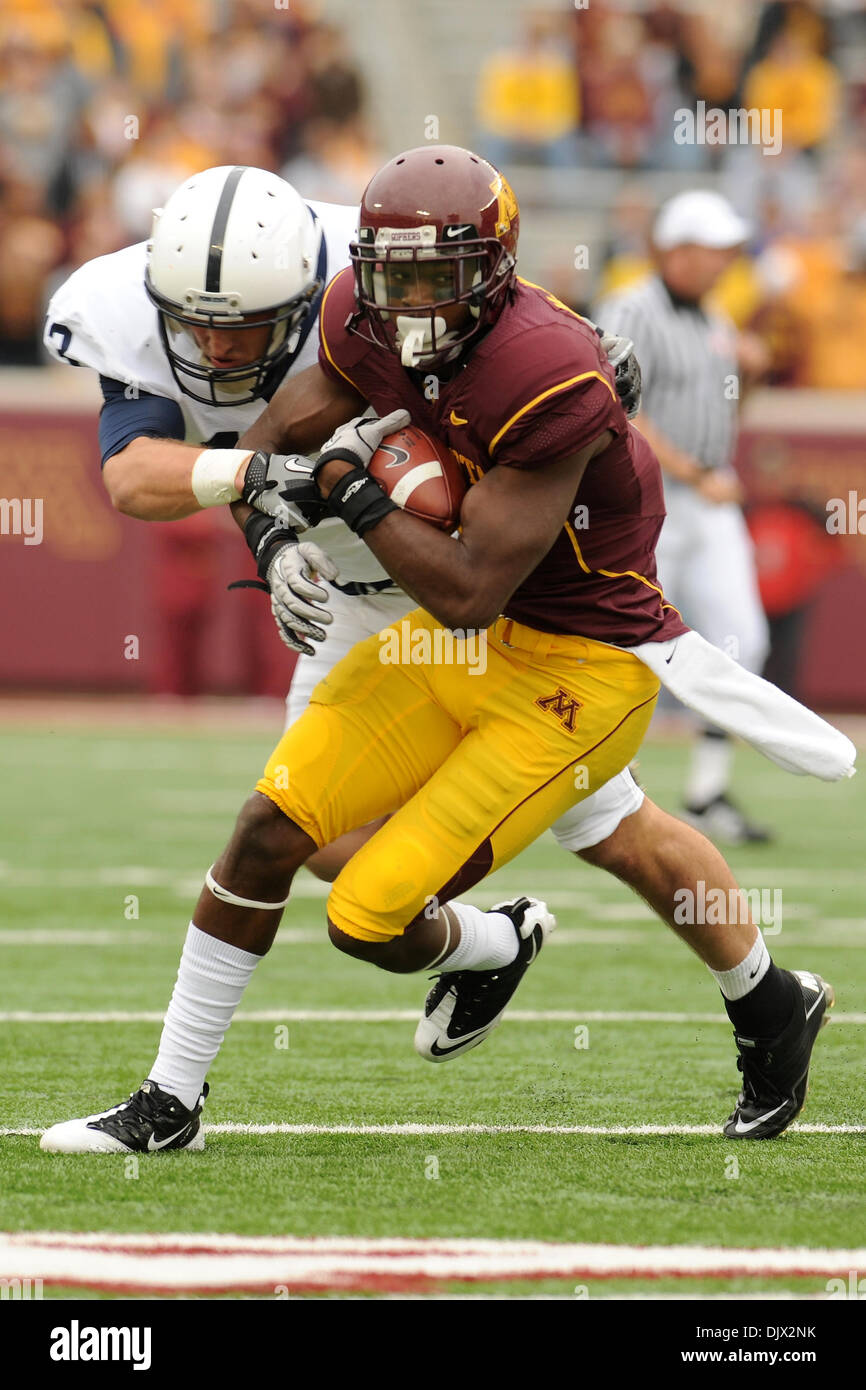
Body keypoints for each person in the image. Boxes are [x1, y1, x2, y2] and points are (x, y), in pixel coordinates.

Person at [40, 149, 852, 1157]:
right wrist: (279, 522)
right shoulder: (341, 296)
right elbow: (209, 463)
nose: (221, 342)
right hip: (379, 585)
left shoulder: (509, 346)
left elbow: (470, 587)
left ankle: (763, 999)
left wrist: (349, 490)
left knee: (607, 835)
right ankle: (174, 1098)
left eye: (252, 322)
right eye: (200, 322)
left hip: (547, 634)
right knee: (277, 830)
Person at [596, 189, 775, 845]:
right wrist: (696, 472)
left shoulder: (713, 318)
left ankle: (705, 791)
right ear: (676, 249)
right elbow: (621, 411)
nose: (723, 262)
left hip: (707, 499)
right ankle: (613, 777)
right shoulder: (632, 306)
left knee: (741, 638)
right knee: (630, 638)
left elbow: (724, 415)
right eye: (711, 249)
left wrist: (750, 375)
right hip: (649, 500)